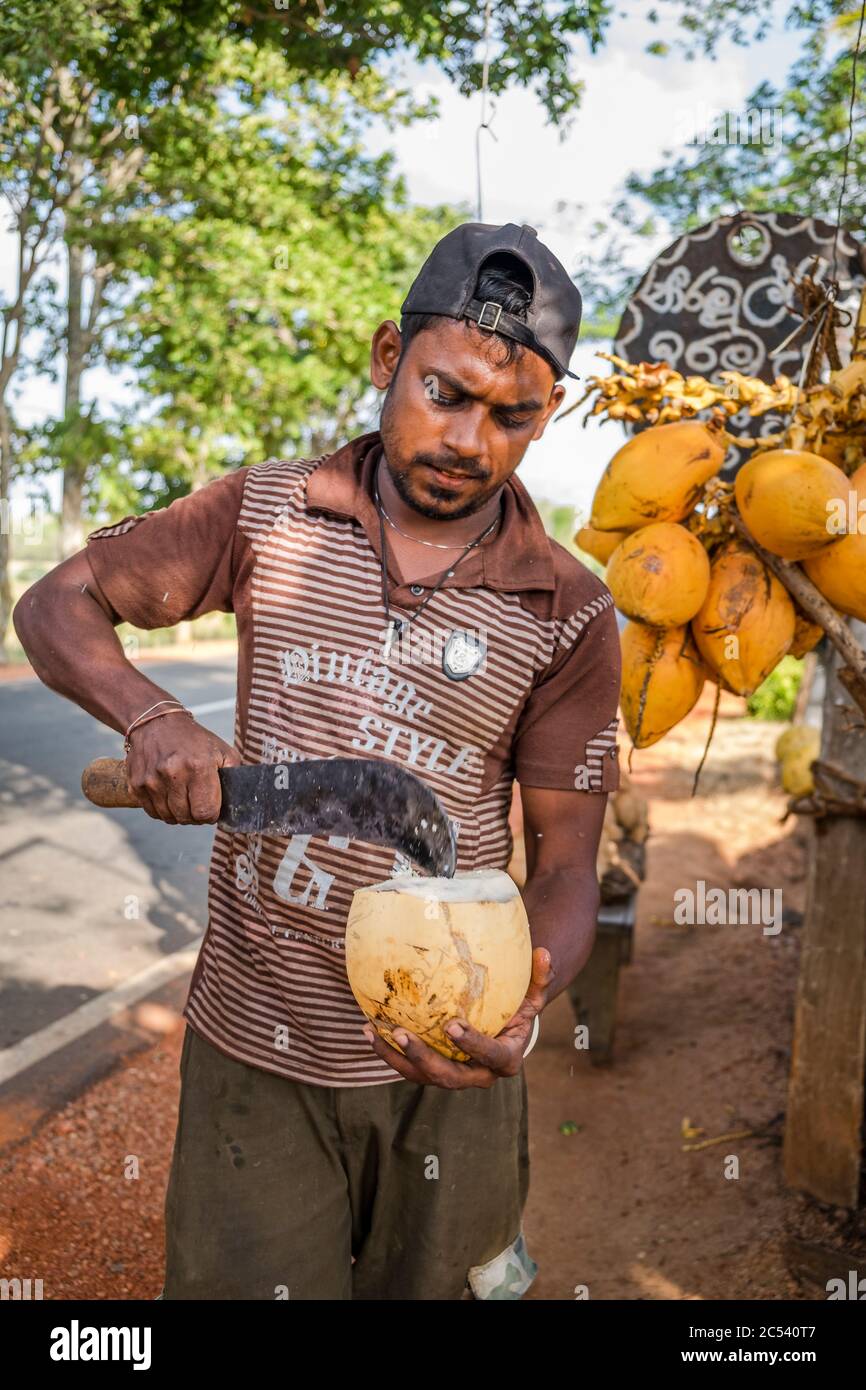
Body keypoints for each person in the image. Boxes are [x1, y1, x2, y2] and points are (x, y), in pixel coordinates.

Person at [14, 221, 622, 1301]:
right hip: (255, 1049)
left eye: (509, 415)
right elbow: (58, 603)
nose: (468, 440)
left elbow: (567, 857)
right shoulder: (263, 512)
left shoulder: (567, 609)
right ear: (389, 357)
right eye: (444, 393)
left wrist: (528, 990)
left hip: (454, 1066)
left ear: (548, 416)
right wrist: (149, 714)